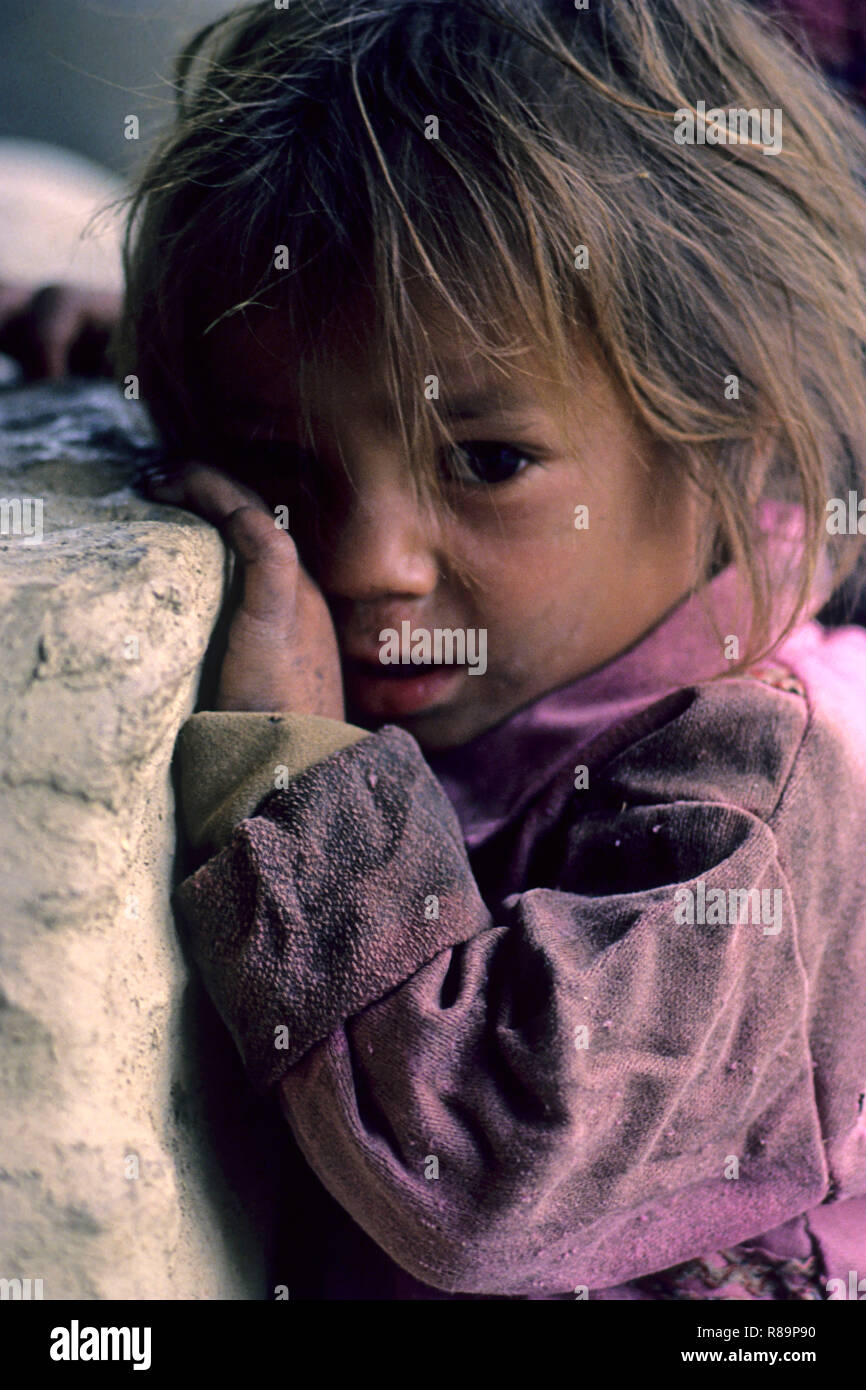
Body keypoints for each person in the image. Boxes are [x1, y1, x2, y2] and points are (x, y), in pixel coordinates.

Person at [15, 0, 866, 1299]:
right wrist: (137, 356)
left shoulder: (762, 801)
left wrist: (300, 792)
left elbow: (480, 1172)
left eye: (487, 462)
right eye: (277, 457)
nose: (369, 563)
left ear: (721, 434)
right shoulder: (543, 648)